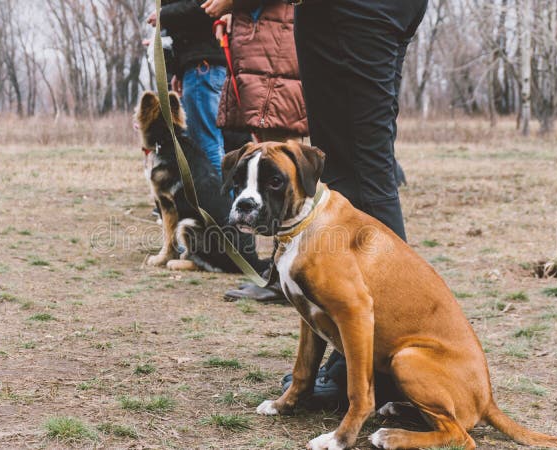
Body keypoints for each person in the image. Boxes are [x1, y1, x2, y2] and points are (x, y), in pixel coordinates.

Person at [204, 0, 427, 409]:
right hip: (374, 11)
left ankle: (368, 368)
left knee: (355, 168)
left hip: (350, 11)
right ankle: (374, 359)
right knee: (363, 162)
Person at [203, 0, 309, 303]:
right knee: (274, 163)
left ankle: (287, 278)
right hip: (264, 50)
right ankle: (282, 273)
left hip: (274, 52)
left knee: (285, 170)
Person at [148, 0, 233, 174]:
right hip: (198, 66)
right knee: (205, 144)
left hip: (202, 67)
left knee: (206, 146)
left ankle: (220, 192)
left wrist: (164, 15)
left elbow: (203, 6)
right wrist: (179, 71)